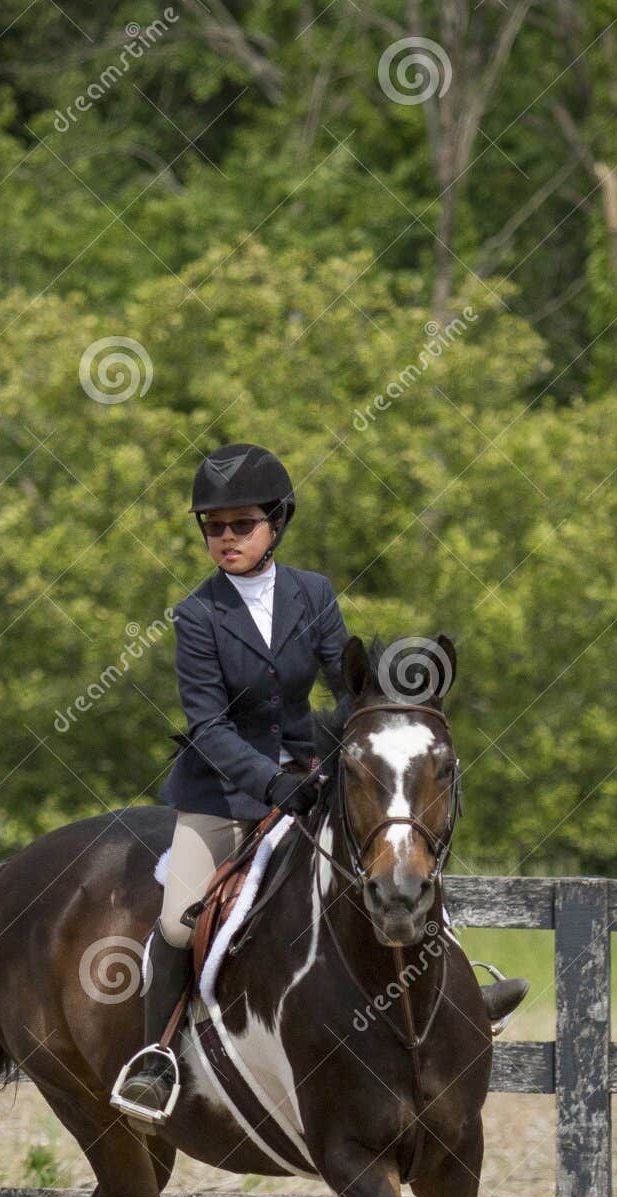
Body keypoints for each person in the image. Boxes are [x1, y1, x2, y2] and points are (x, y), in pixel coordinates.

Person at [115, 442, 526, 1118]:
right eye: (212, 527)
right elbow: (208, 725)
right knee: (178, 919)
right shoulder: (197, 616)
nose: (224, 539)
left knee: (396, 854)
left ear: (275, 523)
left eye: (239, 525)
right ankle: (156, 1056)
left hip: (314, 774)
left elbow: (348, 687)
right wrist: (271, 784)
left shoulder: (312, 594)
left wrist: (371, 729)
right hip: (222, 791)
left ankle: (460, 994)